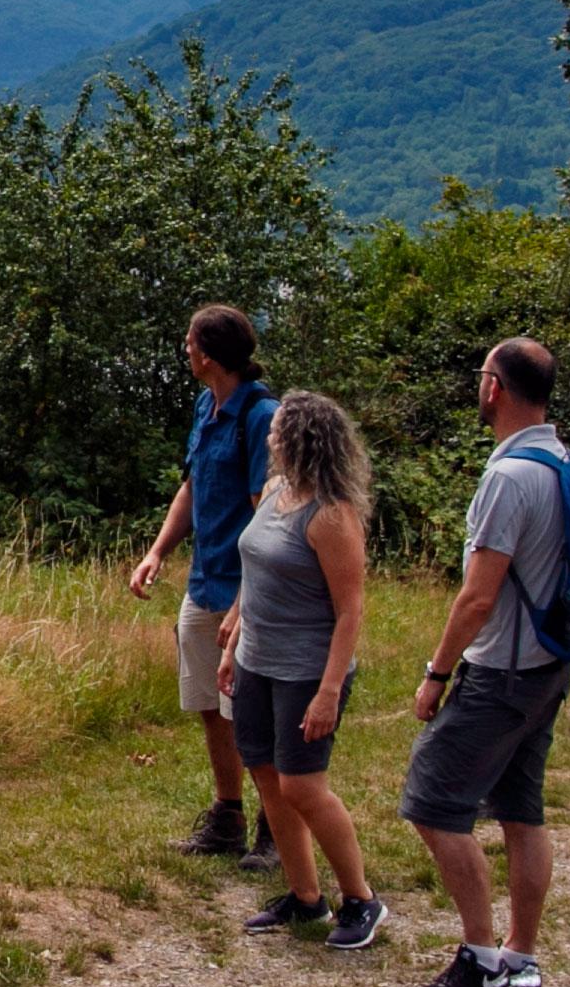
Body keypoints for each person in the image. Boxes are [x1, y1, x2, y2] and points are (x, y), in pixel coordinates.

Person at [400, 336, 570, 987]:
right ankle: (521, 956)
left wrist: (436, 675)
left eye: (482, 377)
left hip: (499, 672)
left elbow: (477, 596)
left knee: (434, 801)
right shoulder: (561, 462)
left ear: (494, 387)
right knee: (521, 811)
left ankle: (480, 959)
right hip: (547, 667)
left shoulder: (507, 477)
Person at [217, 390, 386, 950]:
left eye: (278, 428)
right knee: (266, 776)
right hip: (256, 663)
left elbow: (350, 610)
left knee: (303, 787)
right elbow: (256, 568)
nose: (269, 435)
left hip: (307, 671)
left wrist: (329, 690)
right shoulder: (275, 492)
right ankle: (305, 898)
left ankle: (361, 900)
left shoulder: (332, 515)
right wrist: (233, 637)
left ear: (299, 438)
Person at [128, 304, 276, 861]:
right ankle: (227, 817)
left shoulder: (262, 417)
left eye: (188, 343)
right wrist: (158, 551)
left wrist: (246, 602)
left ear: (208, 354)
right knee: (209, 702)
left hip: (247, 590)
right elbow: (193, 486)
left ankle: (275, 828)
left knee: (253, 714)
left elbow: (269, 518)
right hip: (205, 579)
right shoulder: (204, 406)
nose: (184, 352)